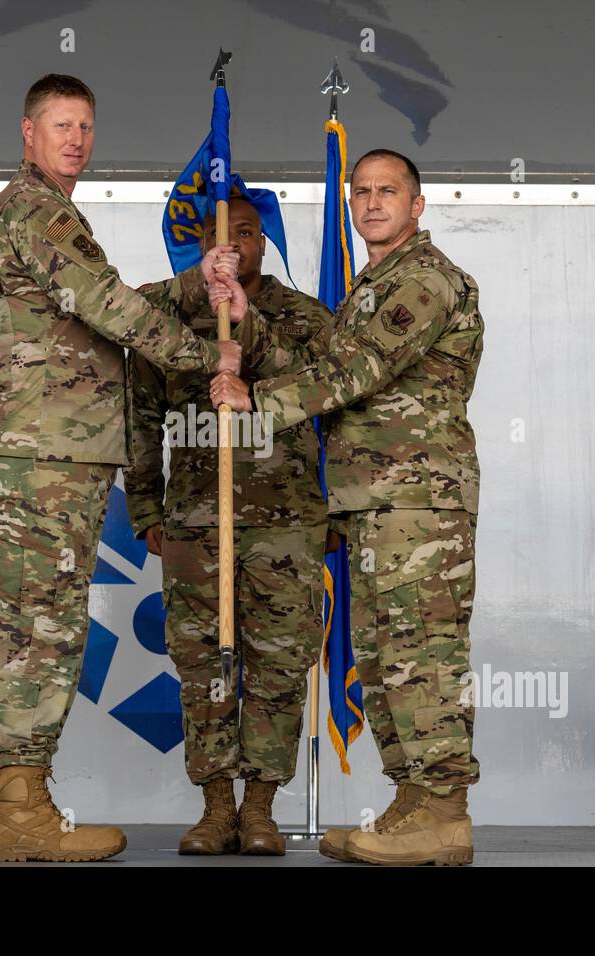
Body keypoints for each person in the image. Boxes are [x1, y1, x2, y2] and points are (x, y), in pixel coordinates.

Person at [0, 73, 241, 863]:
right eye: (61, 125)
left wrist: (197, 282)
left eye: (86, 126)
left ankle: (24, 799)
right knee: (41, 628)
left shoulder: (49, 215)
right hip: (45, 451)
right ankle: (18, 808)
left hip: (61, 451)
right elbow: (109, 307)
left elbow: (96, 299)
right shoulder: (33, 208)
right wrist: (206, 359)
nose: (76, 140)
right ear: (28, 132)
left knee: (46, 623)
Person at [207, 148, 484, 866]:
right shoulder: (372, 285)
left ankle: (445, 813)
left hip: (418, 501)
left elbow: (353, 370)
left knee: (422, 654)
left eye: (387, 191)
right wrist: (249, 320)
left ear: (417, 205)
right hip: (373, 501)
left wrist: (255, 401)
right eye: (360, 191)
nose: (370, 203)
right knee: (387, 656)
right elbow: (327, 355)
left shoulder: (424, 279)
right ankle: (414, 803)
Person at [126, 196, 332, 855]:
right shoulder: (169, 315)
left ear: (265, 242)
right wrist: (144, 509)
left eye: (246, 232)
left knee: (277, 668)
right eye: (220, 234)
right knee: (204, 668)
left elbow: (341, 402)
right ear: (200, 246)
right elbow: (141, 422)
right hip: (195, 523)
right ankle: (217, 809)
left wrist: (342, 516)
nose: (235, 244)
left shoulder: (304, 318)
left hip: (287, 524)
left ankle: (262, 811)